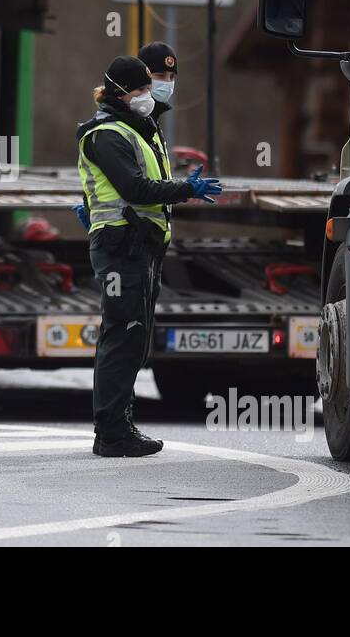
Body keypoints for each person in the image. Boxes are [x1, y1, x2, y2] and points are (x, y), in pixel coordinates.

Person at [75, 55, 222, 457]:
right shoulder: (106, 134)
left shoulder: (137, 128)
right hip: (121, 246)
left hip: (140, 245)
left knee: (133, 338)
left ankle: (120, 425)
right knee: (122, 336)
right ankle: (111, 433)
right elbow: (135, 188)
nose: (147, 95)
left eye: (148, 87)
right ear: (119, 93)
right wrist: (184, 190)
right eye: (139, 89)